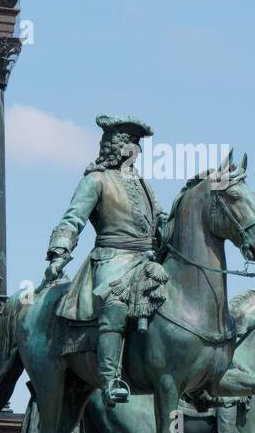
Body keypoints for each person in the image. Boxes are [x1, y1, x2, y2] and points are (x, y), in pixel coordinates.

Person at [43, 115, 166, 408]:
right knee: (116, 302)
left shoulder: (143, 184)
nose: (135, 149)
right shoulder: (96, 180)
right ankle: (110, 379)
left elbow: (159, 220)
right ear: (115, 146)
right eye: (130, 142)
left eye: (138, 144)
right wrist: (59, 252)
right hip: (113, 258)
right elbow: (73, 219)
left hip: (146, 258)